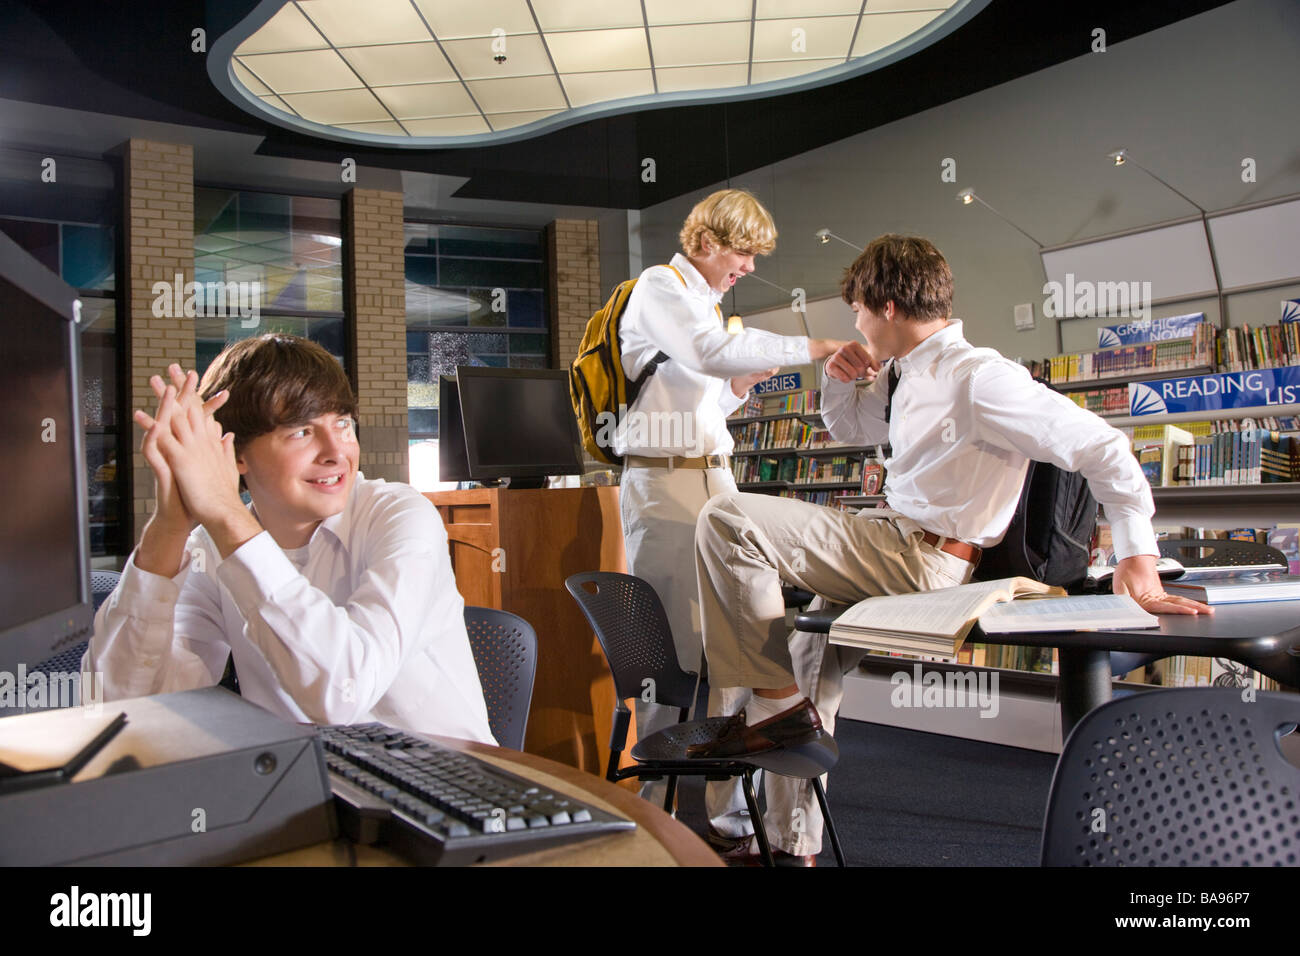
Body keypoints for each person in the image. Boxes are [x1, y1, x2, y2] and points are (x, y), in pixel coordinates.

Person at [690, 234, 1213, 863]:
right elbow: (854, 428)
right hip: (893, 542)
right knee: (807, 652)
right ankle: (788, 847)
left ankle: (773, 707)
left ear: (885, 306)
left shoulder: (978, 376)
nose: (853, 324)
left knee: (726, 518)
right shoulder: (912, 376)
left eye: (856, 309)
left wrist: (1139, 556)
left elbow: (1104, 448)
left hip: (924, 559)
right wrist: (836, 382)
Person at [86, 334, 494, 744]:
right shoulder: (211, 550)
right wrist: (170, 525)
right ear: (235, 455)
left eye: (342, 424)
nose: (337, 452)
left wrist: (225, 514)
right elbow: (128, 707)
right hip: (314, 788)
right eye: (301, 431)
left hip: (455, 785)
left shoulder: (401, 515)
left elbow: (342, 693)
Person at [611, 188, 847, 810]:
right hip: (663, 483)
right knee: (671, 654)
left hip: (715, 477)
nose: (748, 269)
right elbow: (710, 354)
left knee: (733, 641)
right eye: (742, 254)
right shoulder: (659, 289)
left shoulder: (703, 306)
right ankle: (652, 805)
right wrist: (815, 347)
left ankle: (729, 817)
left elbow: (706, 396)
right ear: (707, 242)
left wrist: (737, 389)